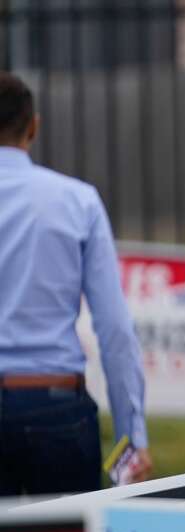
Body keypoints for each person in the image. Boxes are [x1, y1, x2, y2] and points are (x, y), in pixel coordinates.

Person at [0, 72, 150, 496]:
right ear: (34, 126)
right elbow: (116, 330)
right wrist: (131, 440)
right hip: (57, 409)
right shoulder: (77, 201)